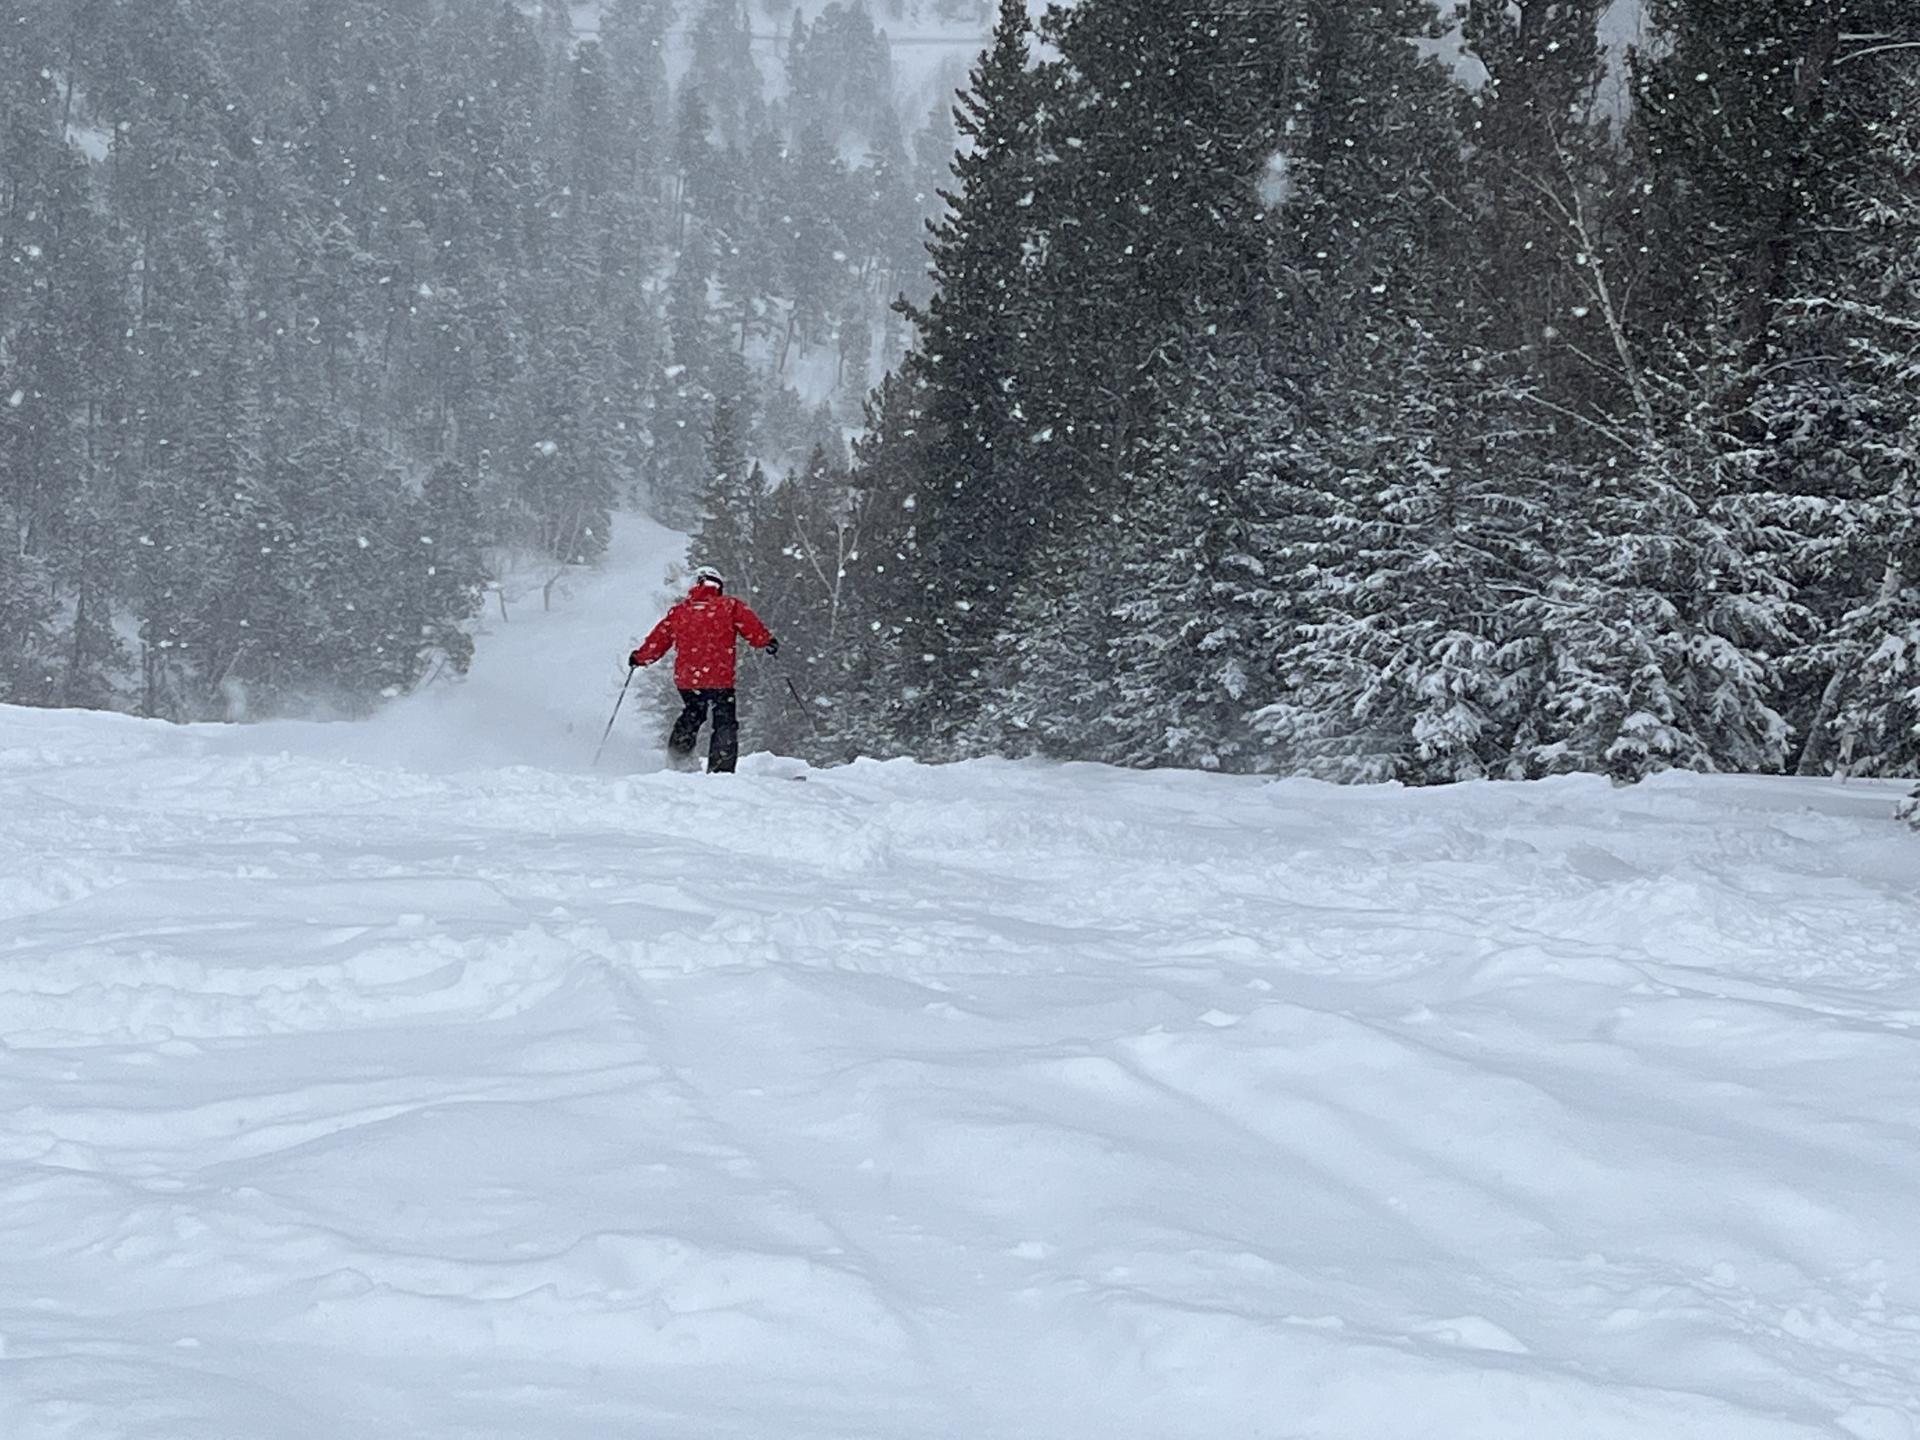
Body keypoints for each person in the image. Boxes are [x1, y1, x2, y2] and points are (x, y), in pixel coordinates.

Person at [628, 565, 778, 773]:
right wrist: (767, 642)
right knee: (724, 721)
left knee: (692, 714)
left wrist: (639, 658)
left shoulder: (680, 612)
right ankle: (721, 769)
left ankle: (678, 761)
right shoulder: (730, 606)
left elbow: (658, 640)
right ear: (718, 586)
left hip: (689, 679)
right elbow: (753, 630)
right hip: (720, 677)